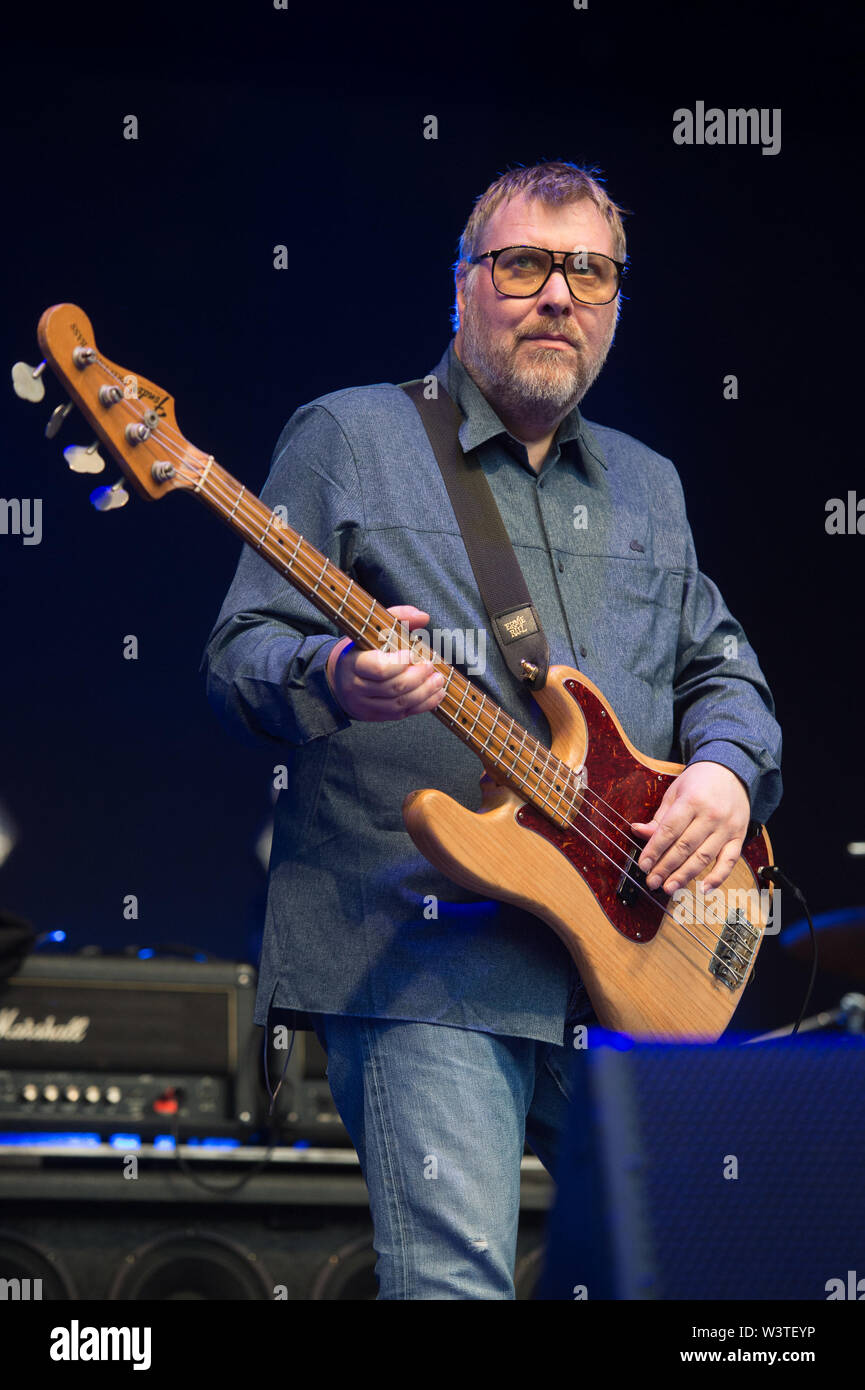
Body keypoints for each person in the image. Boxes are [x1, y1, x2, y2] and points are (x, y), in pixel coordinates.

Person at [201, 160, 782, 1299]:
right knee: (457, 1287)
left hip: (627, 957)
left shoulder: (647, 485)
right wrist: (335, 673)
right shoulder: (348, 438)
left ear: (616, 301)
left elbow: (722, 668)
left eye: (589, 271)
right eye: (522, 264)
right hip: (423, 957)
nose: (556, 294)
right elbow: (236, 659)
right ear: (461, 286)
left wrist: (722, 775)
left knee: (697, 1281)